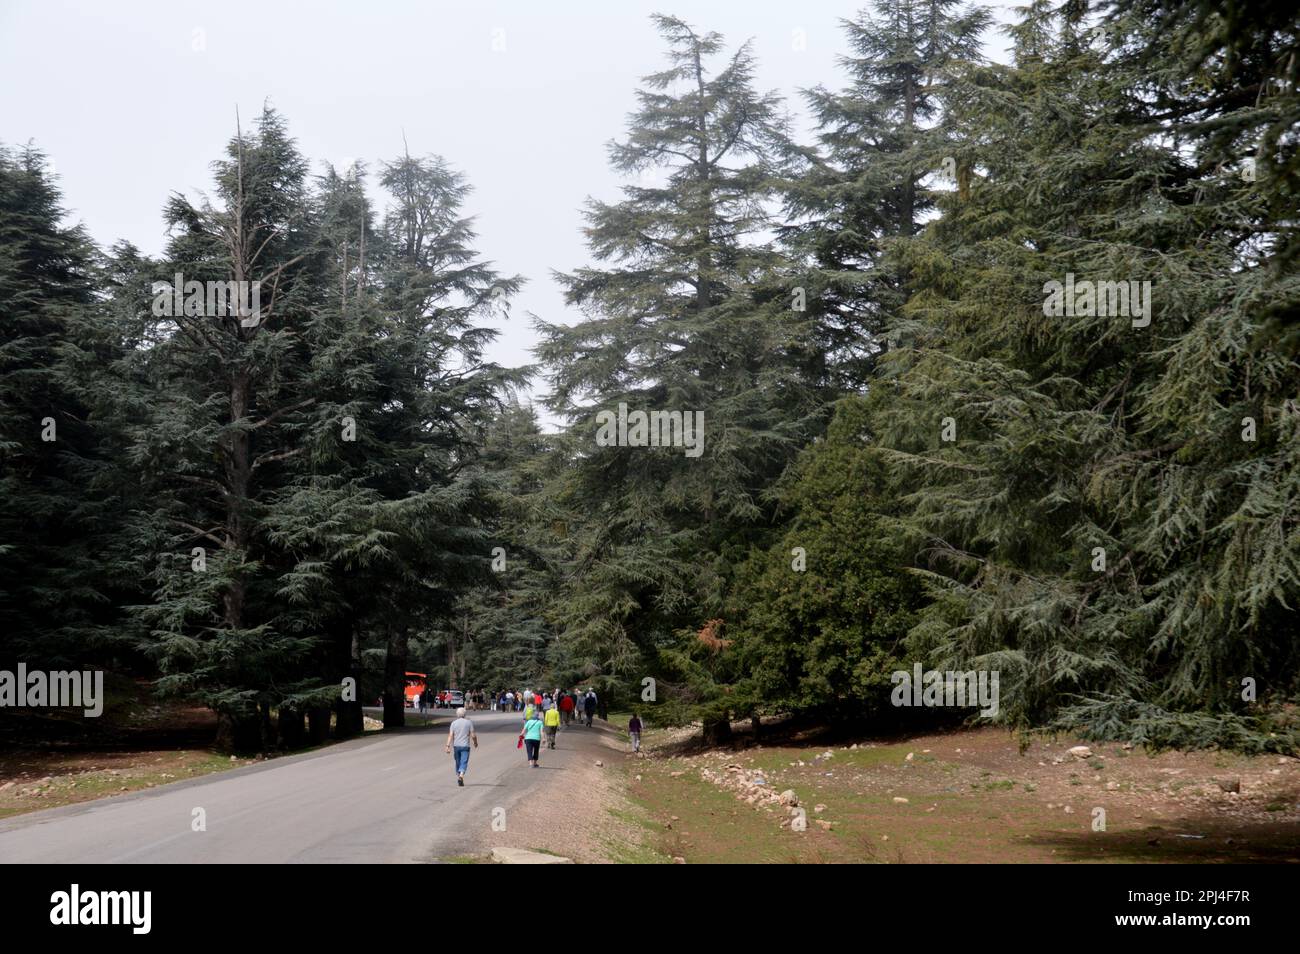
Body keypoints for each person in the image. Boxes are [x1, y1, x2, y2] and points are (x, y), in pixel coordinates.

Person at [444, 707, 478, 786]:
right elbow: (473, 735)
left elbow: (450, 735)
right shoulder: (469, 722)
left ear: (457, 714)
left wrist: (447, 746)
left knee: (458, 761)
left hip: (456, 746)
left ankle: (459, 775)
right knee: (464, 761)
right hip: (465, 746)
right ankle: (461, 775)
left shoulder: (453, 723)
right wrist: (475, 742)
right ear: (465, 714)